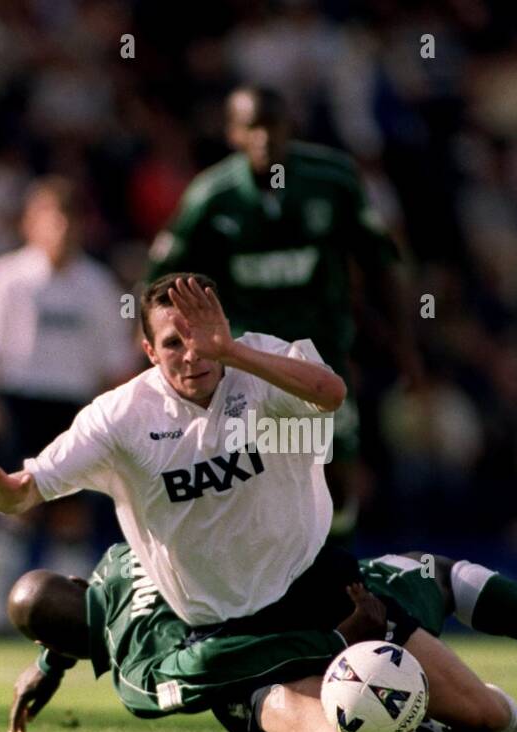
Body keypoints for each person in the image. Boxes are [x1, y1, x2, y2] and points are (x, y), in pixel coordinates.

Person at [3, 542, 517, 732]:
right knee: (442, 577)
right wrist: (337, 634)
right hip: (312, 622)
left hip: (280, 670)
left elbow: (196, 666)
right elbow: (74, 606)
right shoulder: (121, 553)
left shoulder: (133, 671)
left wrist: (50, 662)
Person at [0, 272, 359, 641]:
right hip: (213, 622)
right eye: (173, 343)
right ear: (149, 351)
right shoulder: (121, 416)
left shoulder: (259, 360)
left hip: (306, 578)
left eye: (201, 338)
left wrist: (231, 352)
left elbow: (331, 394)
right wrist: (6, 494)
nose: (191, 355)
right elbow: (29, 490)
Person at [146, 85, 422, 540]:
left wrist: (405, 344)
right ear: (233, 134)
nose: (264, 138)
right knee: (252, 470)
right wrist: (168, 358)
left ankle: (337, 569)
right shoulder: (211, 197)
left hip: (323, 355)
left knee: (334, 462)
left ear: (289, 126)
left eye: (272, 125)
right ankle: (265, 581)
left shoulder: (333, 180)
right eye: (251, 127)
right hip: (243, 361)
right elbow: (158, 282)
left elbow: (381, 264)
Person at [0, 176, 139, 612]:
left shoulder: (97, 285)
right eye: (51, 218)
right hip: (18, 403)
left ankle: (71, 611)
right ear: (29, 223)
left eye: (69, 219)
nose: (61, 229)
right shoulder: (6, 278)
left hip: (74, 410)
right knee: (15, 507)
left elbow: (115, 365)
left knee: (70, 514)